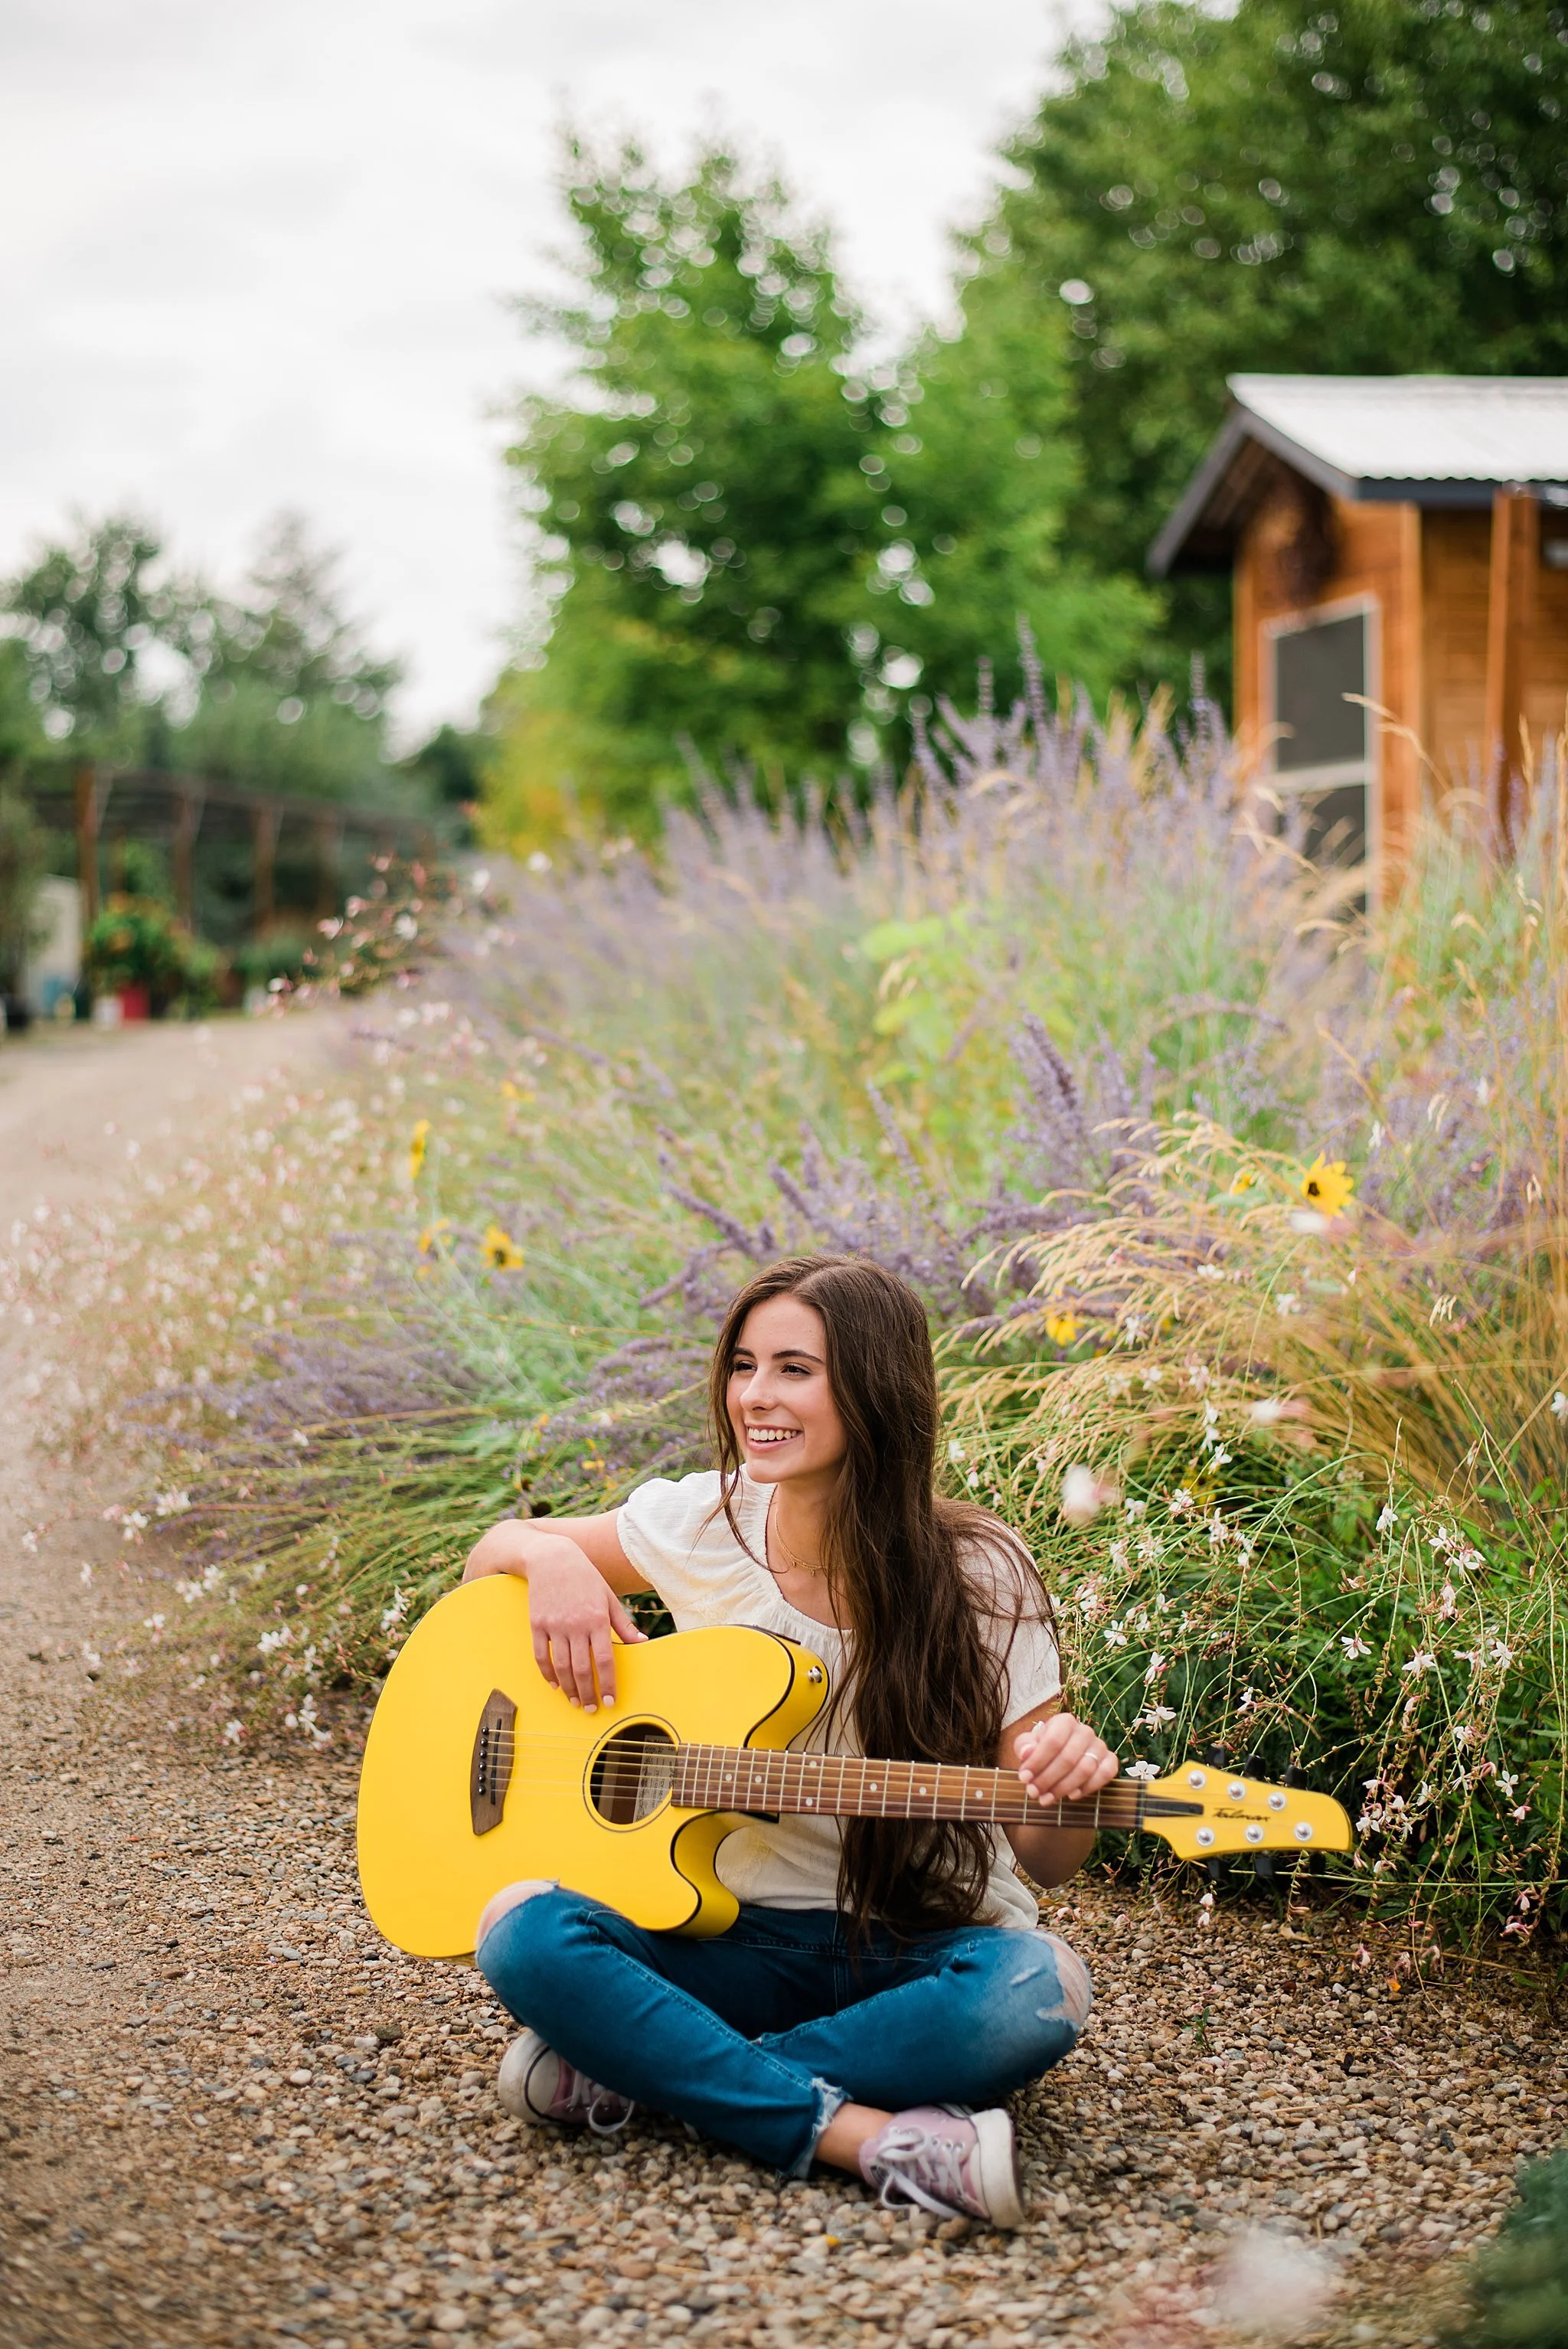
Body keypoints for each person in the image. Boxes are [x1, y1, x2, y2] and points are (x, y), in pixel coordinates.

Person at [462, 1254, 1117, 2228]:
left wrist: (1071, 1786)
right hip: (722, 1933)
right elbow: (488, 1556)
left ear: (875, 1386)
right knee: (520, 1926)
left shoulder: (979, 1568)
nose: (754, 1396)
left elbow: (1049, 1860)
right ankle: (867, 2137)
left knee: (1037, 1986)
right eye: (742, 1365)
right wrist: (546, 1554)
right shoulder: (702, 1521)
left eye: (793, 1369)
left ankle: (649, 2066)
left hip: (919, 1945)